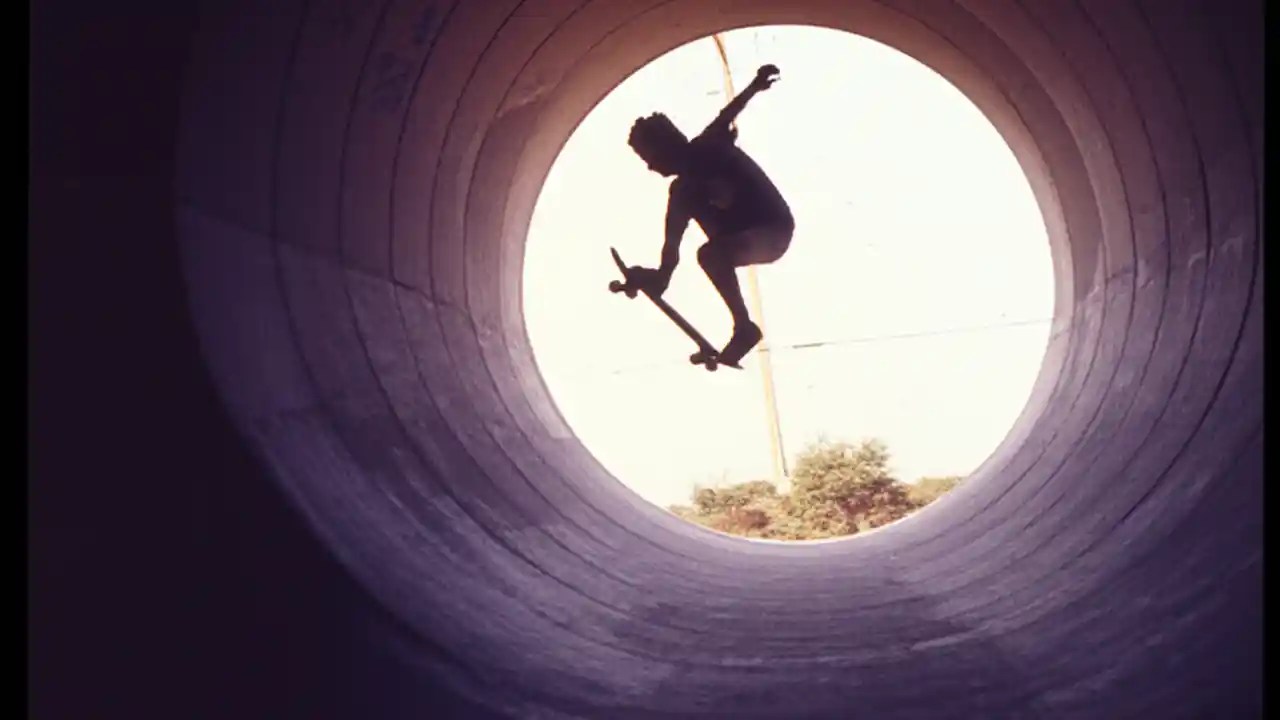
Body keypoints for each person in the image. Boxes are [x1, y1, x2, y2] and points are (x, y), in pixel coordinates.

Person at [624, 63, 794, 367]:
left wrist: (756, 85)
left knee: (709, 250)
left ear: (665, 149)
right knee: (684, 197)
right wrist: (662, 274)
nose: (650, 167)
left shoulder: (706, 147)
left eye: (648, 158)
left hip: (771, 230)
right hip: (742, 232)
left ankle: (744, 327)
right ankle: (666, 277)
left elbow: (727, 114)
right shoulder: (681, 190)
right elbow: (672, 238)